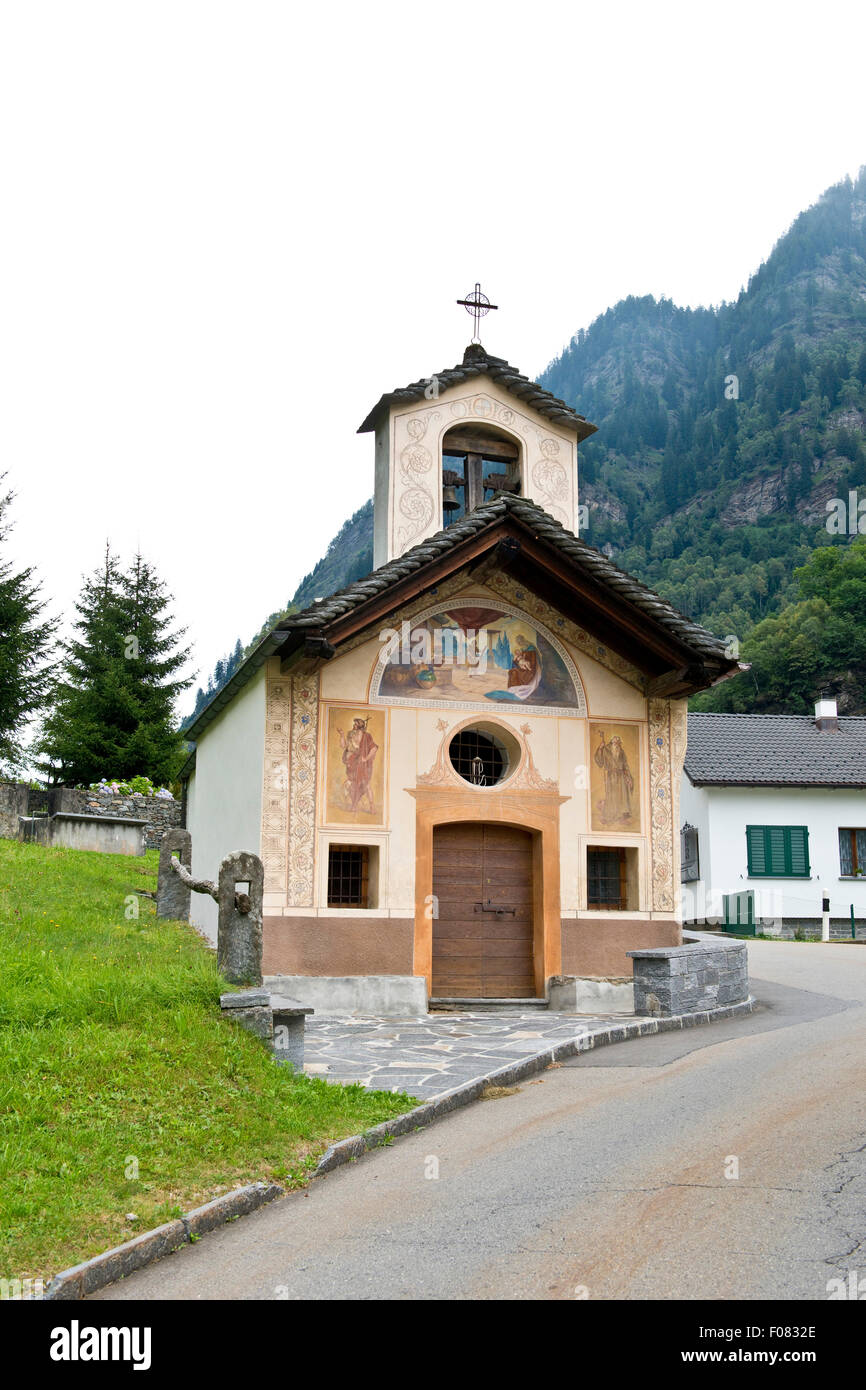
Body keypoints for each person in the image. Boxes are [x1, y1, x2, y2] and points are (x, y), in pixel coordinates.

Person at [336, 717, 378, 814]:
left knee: (366, 785)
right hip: (352, 763)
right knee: (353, 785)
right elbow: (343, 746)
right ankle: (354, 805)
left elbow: (374, 748)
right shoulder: (350, 734)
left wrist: (366, 758)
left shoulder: (367, 736)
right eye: (353, 724)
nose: (353, 726)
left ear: (360, 725)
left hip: (362, 764)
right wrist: (342, 735)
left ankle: (372, 807)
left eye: (355, 724)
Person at [594, 731, 634, 825]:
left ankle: (621, 818)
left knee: (622, 797)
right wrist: (600, 748)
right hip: (611, 776)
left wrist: (628, 777)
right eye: (615, 743)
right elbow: (599, 761)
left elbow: (625, 765)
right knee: (611, 797)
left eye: (618, 743)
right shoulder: (606, 750)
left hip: (621, 777)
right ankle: (609, 817)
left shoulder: (622, 752)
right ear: (612, 743)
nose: (617, 745)